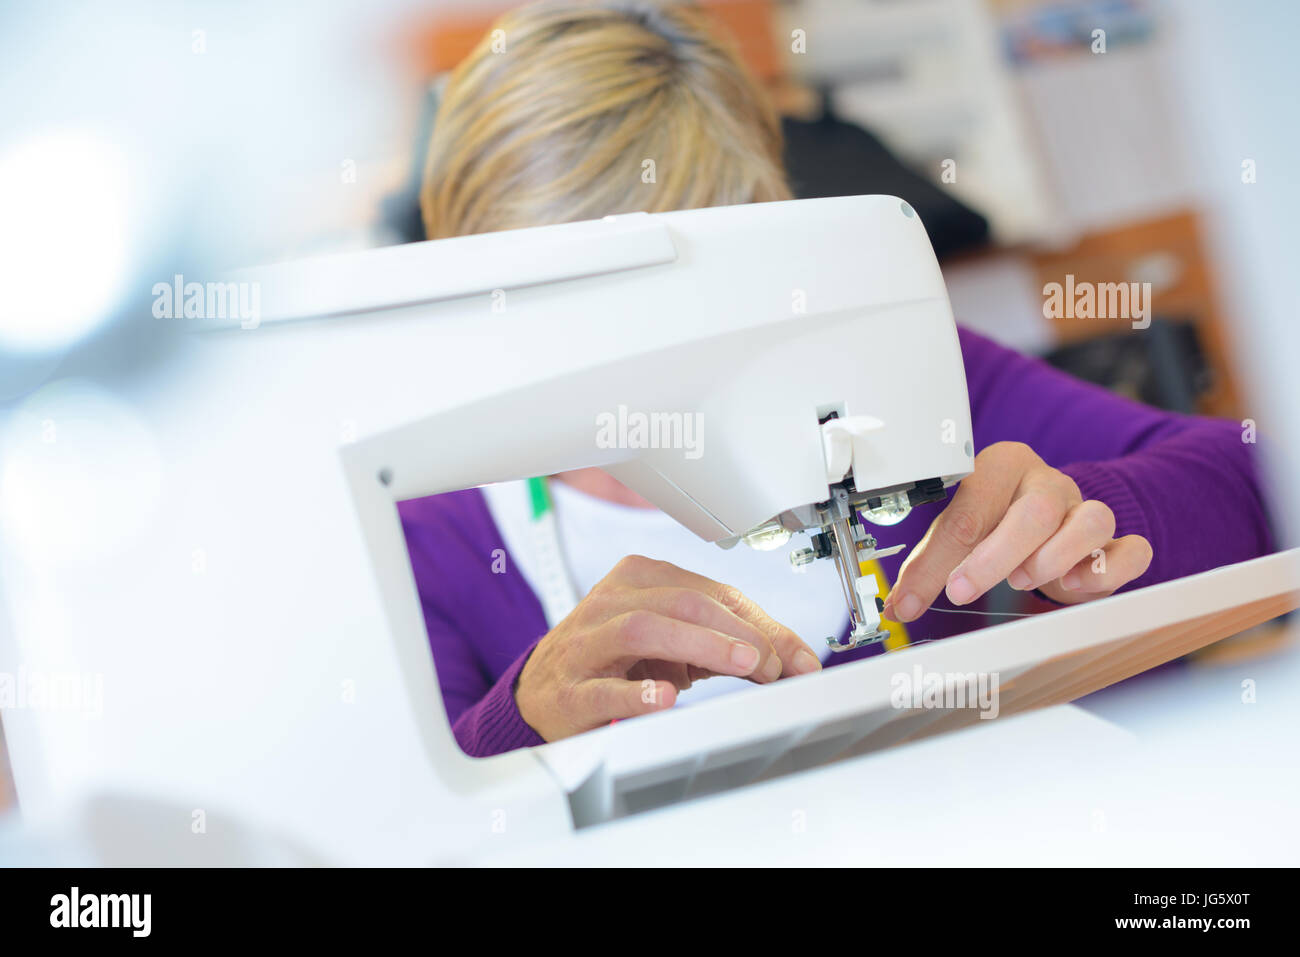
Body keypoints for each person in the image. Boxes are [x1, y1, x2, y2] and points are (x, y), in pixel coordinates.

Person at [399, 0, 1276, 755]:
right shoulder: (432, 541)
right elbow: (399, 833)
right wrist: (522, 718)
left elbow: (1260, 483)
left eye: (681, 302)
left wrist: (1082, 516)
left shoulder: (910, 373)